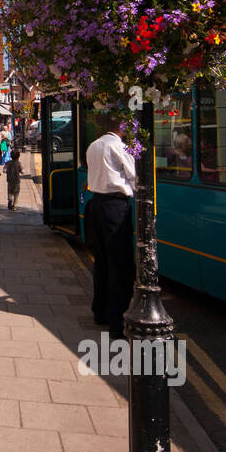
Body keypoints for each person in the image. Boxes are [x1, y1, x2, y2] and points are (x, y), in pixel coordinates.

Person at [85, 115, 136, 340]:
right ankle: (117, 322)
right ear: (122, 128)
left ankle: (100, 311)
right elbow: (134, 175)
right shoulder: (119, 147)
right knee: (121, 265)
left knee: (102, 261)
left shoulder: (93, 145)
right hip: (116, 206)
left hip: (96, 203)